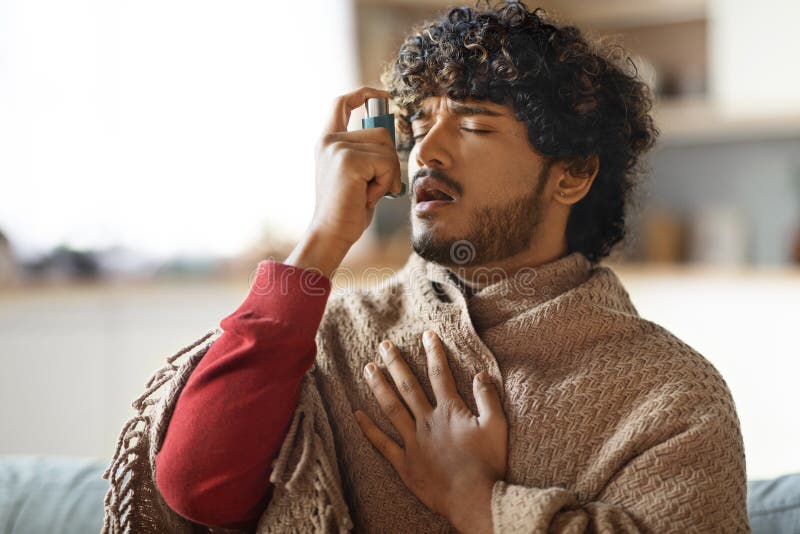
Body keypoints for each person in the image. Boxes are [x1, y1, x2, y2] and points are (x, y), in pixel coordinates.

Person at [102, 2, 751, 533]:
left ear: (574, 173)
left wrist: (478, 503)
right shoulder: (326, 335)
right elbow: (199, 489)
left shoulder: (671, 398)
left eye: (471, 125)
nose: (425, 152)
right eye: (417, 124)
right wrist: (325, 240)